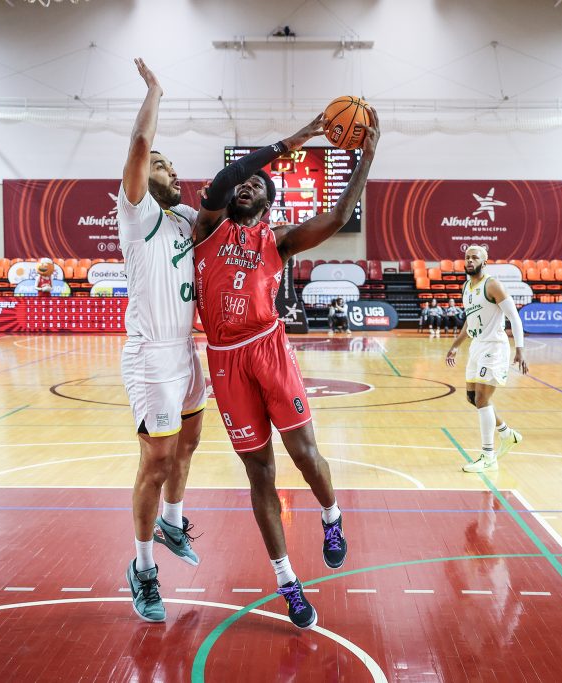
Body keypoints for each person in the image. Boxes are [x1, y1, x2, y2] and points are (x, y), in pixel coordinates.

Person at [192, 108, 380, 629]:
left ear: (269, 203)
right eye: (241, 183)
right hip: (225, 361)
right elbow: (226, 179)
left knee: (303, 452)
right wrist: (287, 142)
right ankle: (287, 582)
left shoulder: (277, 241)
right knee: (260, 472)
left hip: (268, 348)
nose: (245, 187)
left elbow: (339, 217)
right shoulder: (207, 226)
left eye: (256, 185)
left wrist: (367, 156)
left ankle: (332, 517)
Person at [118, 59, 207, 624]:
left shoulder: (183, 219)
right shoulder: (135, 210)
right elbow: (142, 138)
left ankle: (174, 523)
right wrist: (155, 90)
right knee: (156, 461)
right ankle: (143, 568)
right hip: (152, 354)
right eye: (161, 163)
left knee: (190, 445)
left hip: (188, 351)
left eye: (171, 165)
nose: (170, 168)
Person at [446, 245, 528, 474]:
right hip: (477, 346)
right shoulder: (466, 287)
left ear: (485, 261)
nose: (470, 260)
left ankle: (488, 456)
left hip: (495, 347)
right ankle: (506, 434)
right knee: (473, 398)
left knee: (482, 399)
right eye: (467, 257)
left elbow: (514, 317)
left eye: (475, 257)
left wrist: (520, 349)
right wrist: (454, 346)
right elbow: (470, 321)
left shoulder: (492, 285)